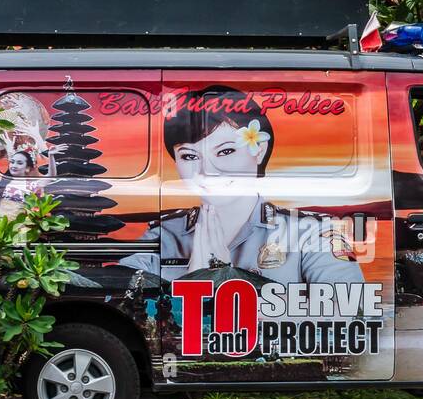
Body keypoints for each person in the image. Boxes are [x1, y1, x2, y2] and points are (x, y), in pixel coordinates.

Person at [120, 87, 365, 286]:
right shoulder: (164, 236)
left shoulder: (310, 233)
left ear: (259, 149)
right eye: (190, 156)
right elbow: (119, 305)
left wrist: (224, 280)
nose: (208, 171)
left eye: (226, 151)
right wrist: (193, 283)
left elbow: (355, 319)